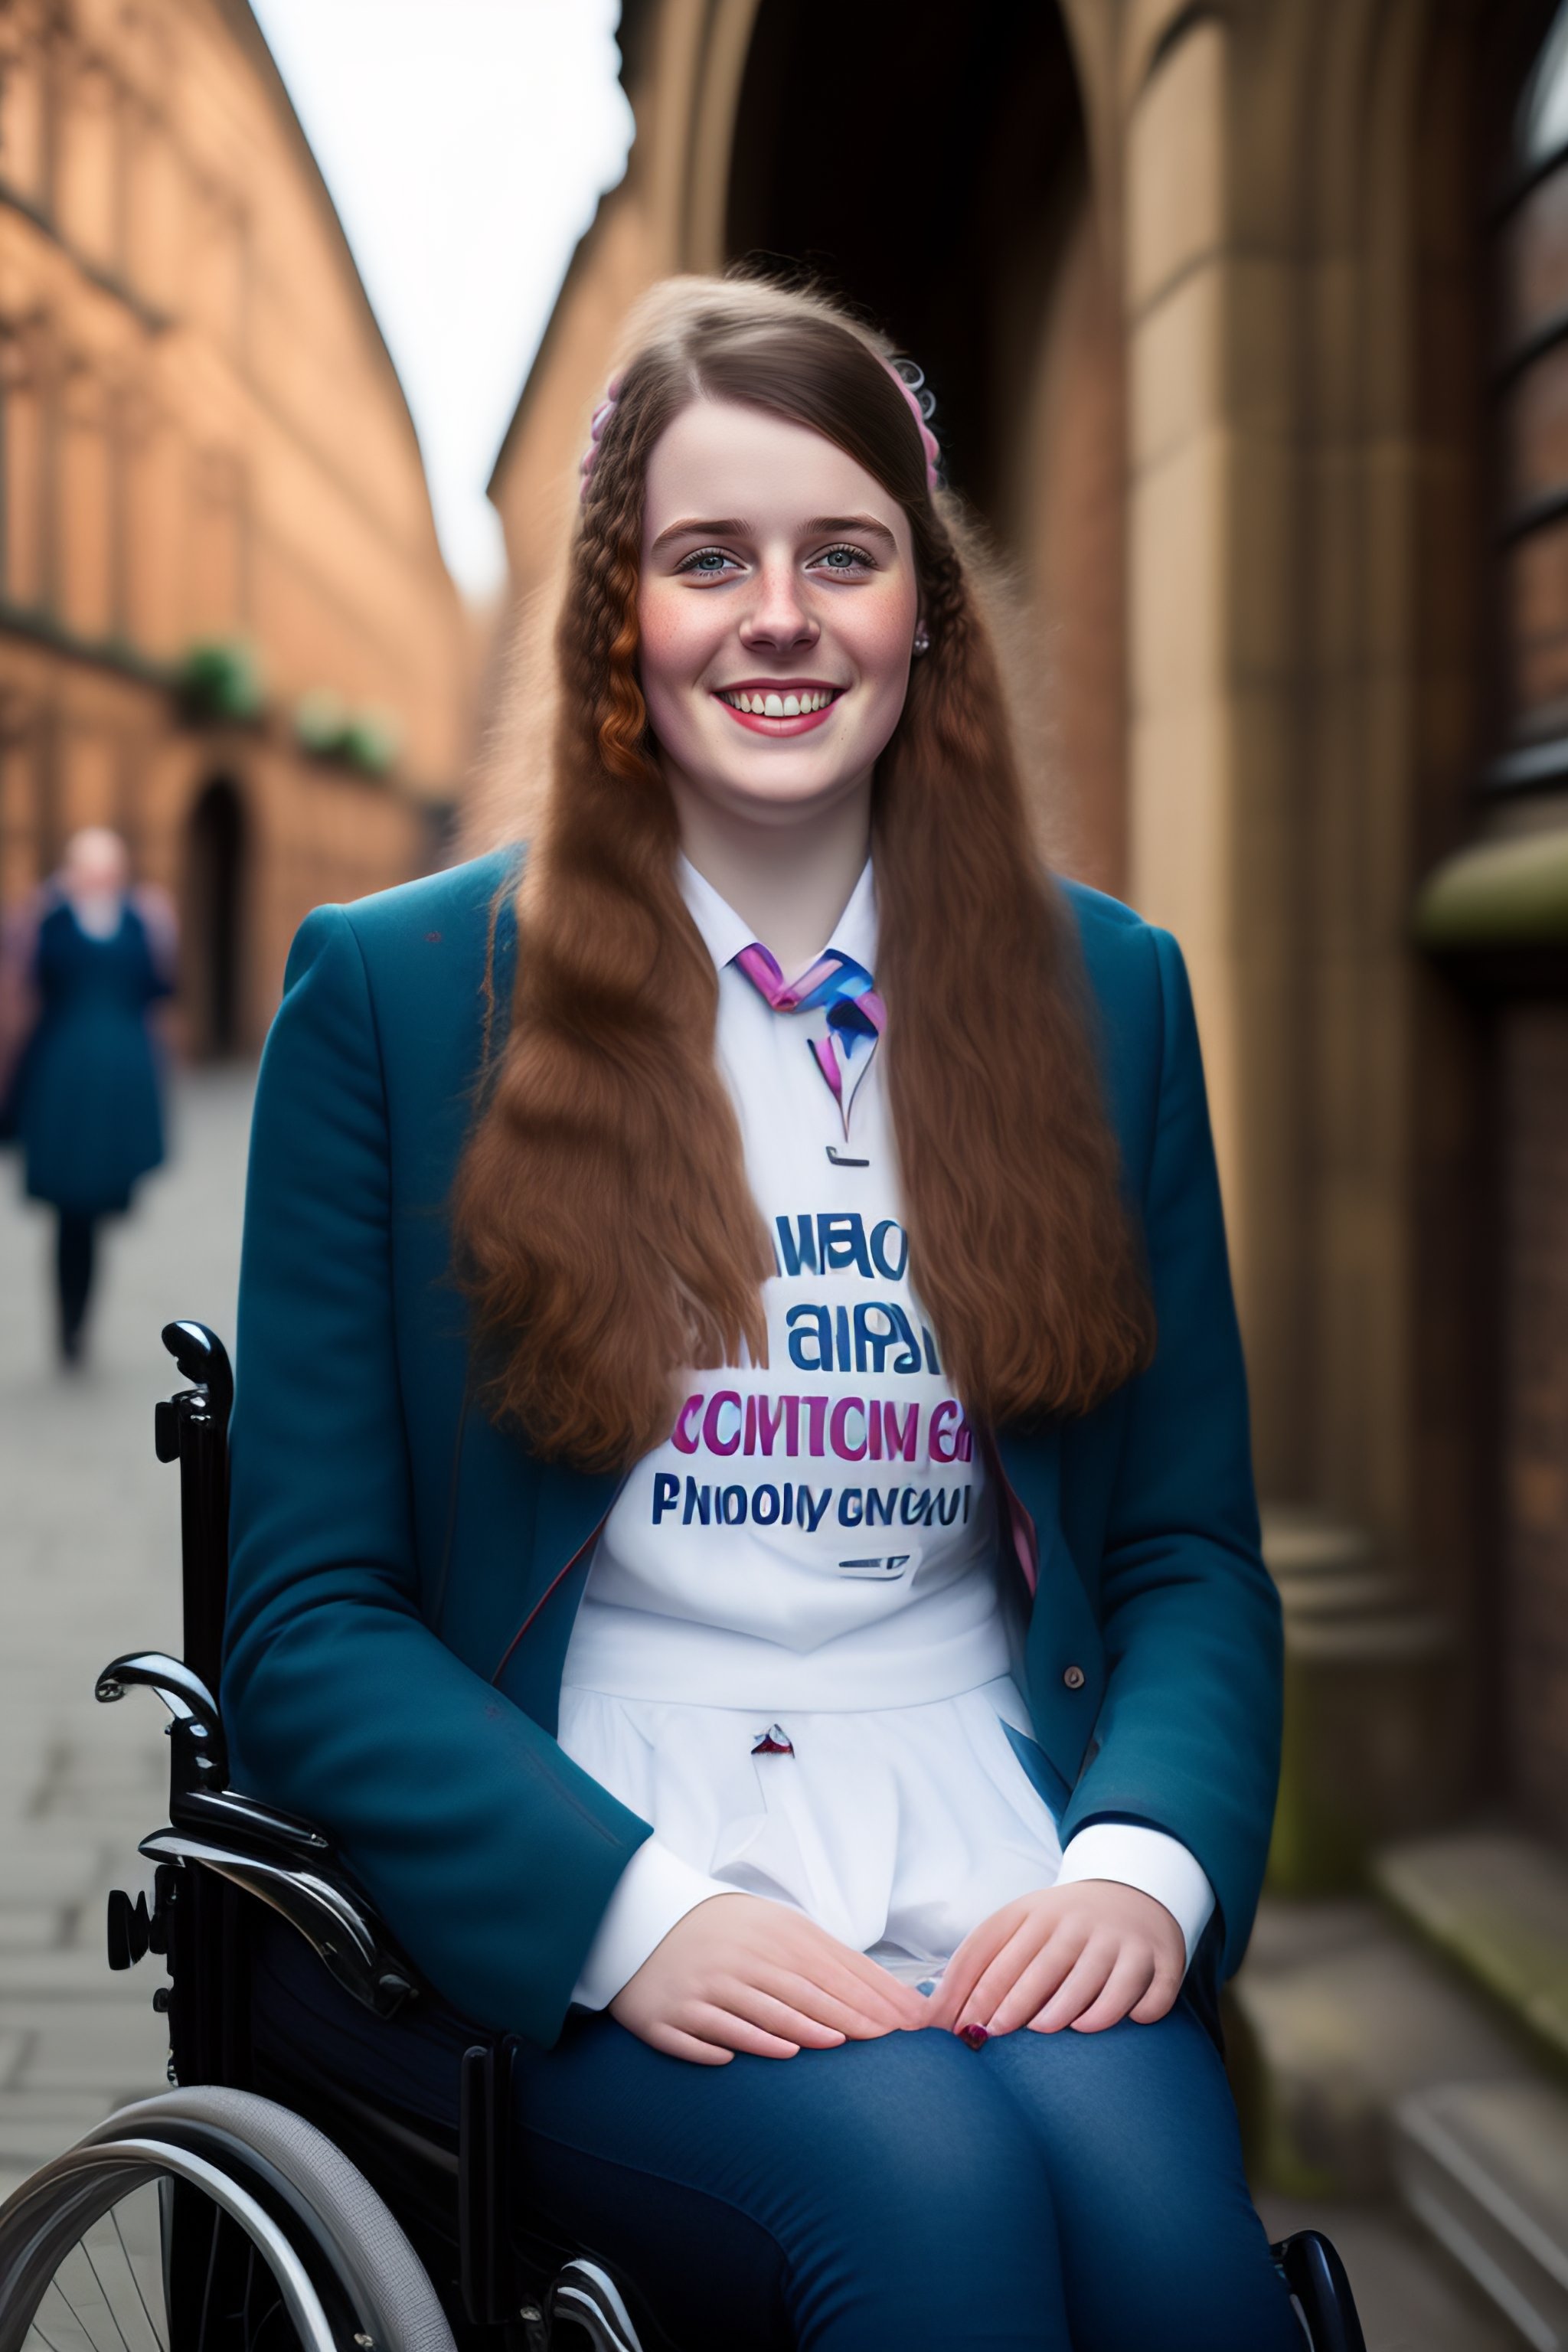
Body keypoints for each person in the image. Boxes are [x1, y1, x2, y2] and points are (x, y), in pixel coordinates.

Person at [224, 276, 1300, 2350]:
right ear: (618, 618)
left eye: (844, 555)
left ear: (928, 615)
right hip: (607, 1826)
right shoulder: (397, 998)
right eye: (709, 558)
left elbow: (1183, 1551)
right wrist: (634, 1913)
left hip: (1001, 1819)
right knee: (933, 2212)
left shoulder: (1109, 998)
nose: (778, 617)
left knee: (1178, 2268)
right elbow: (308, 1621)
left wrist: (1143, 1860)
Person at [1, 828, 174, 1365]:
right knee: (69, 1207)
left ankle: (80, 1315)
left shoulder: (141, 920)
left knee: (95, 1206)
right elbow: (25, 987)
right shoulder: (48, 920)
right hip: (62, 1080)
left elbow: (161, 988)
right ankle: (69, 1319)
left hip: (118, 1082)